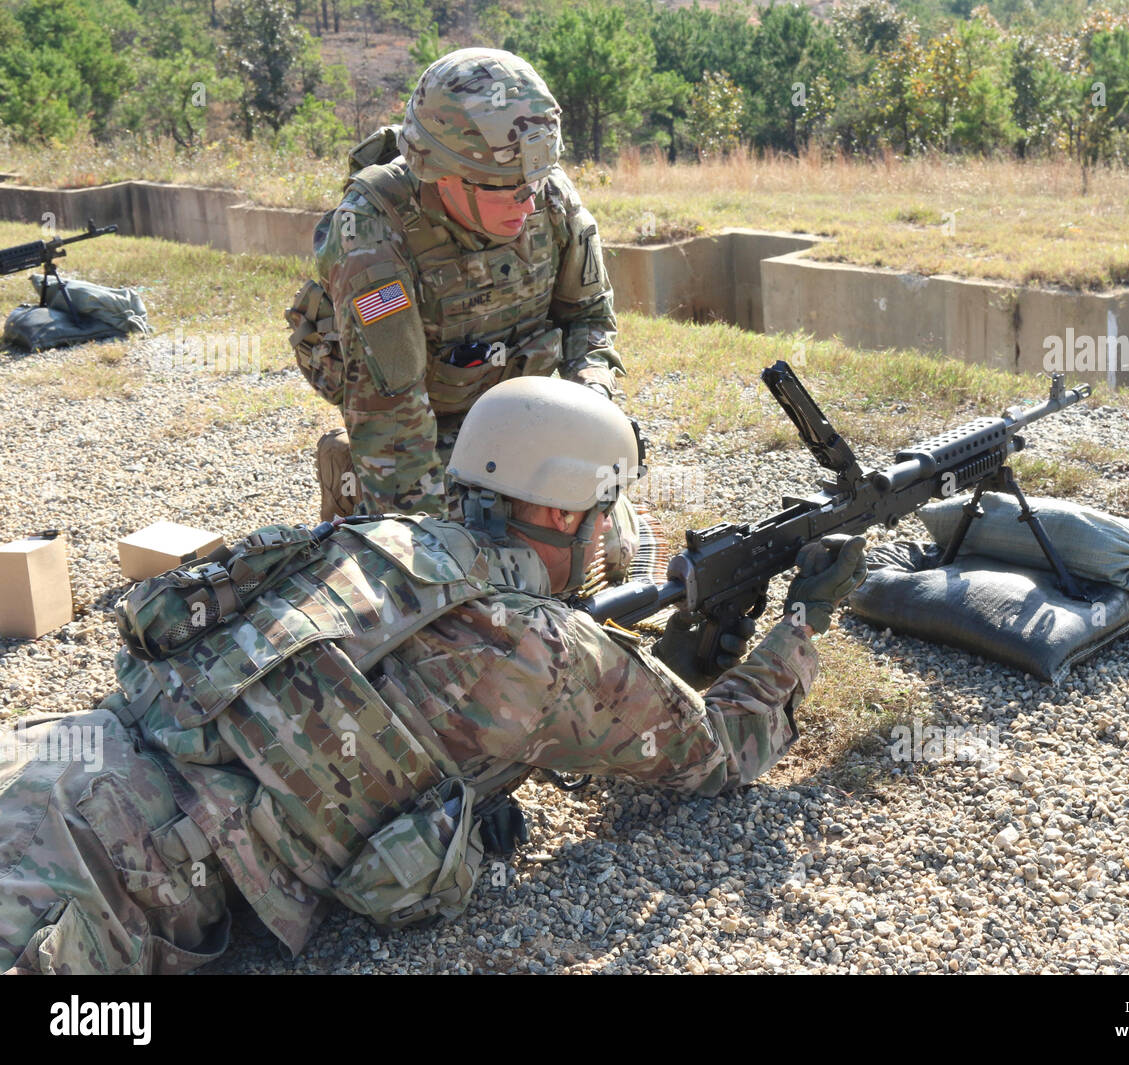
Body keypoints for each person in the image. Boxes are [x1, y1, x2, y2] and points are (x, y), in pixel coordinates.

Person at [0, 377, 867, 975]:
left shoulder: (371, 538)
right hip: (113, 887)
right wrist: (805, 620)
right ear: (560, 509)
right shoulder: (547, 652)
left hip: (53, 755)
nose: (610, 532)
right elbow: (721, 750)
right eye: (603, 513)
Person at [288, 48, 626, 542]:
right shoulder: (372, 234)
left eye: (534, 181)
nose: (529, 201)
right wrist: (430, 546)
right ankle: (348, 478)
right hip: (423, 422)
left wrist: (589, 411)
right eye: (507, 188)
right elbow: (392, 414)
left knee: (605, 546)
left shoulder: (545, 191)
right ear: (440, 173)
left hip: (521, 413)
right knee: (465, 555)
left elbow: (589, 318)